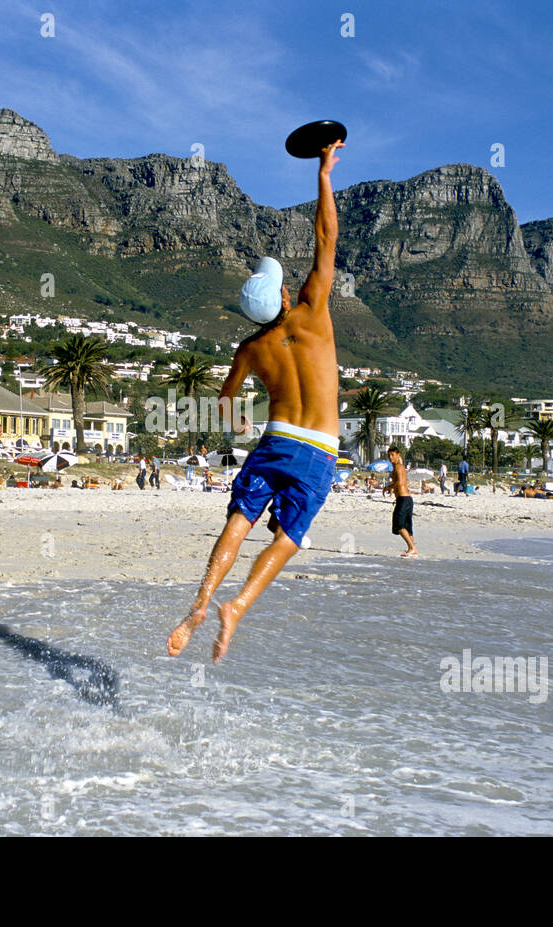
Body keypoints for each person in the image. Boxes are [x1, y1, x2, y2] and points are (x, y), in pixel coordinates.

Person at [167, 138, 344, 664]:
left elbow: (225, 406)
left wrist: (239, 416)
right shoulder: (312, 312)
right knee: (289, 535)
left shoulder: (249, 349)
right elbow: (325, 238)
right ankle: (237, 606)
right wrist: (324, 174)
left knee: (239, 523)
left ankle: (200, 602)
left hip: (274, 442)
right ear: (285, 295)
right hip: (318, 448)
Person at [382, 445, 417, 558]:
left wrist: (388, 487)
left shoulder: (398, 467)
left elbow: (400, 483)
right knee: (406, 526)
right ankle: (411, 549)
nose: (390, 457)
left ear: (398, 455)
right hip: (405, 499)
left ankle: (412, 548)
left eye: (392, 455)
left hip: (404, 499)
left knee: (399, 524)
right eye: (389, 455)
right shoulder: (399, 466)